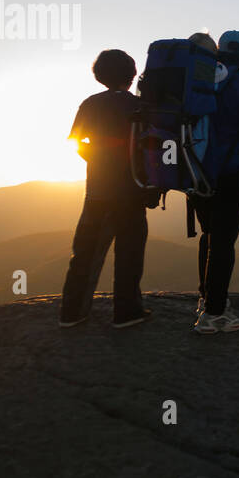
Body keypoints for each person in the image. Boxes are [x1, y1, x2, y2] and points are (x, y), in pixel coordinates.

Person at [59, 49, 152, 328]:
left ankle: (72, 312)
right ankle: (127, 312)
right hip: (132, 190)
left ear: (99, 75)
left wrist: (97, 158)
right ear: (132, 74)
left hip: (97, 189)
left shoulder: (90, 104)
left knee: (85, 251)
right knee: (130, 252)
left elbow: (76, 141)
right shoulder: (140, 106)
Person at [190, 30, 239, 334]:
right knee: (223, 242)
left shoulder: (199, 82)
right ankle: (214, 313)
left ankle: (206, 299)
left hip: (194, 173)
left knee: (208, 235)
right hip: (230, 177)